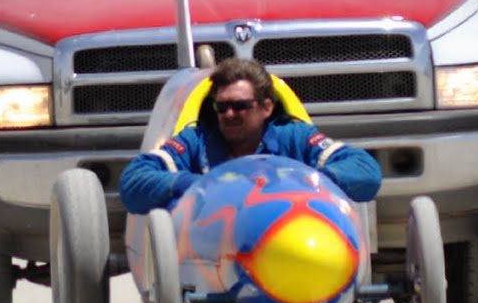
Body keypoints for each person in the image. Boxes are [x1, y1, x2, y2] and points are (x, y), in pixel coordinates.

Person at [118, 57, 382, 212]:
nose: (229, 114)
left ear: (266, 107)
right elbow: (134, 180)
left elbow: (366, 170)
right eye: (222, 107)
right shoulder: (196, 141)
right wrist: (192, 184)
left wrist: (314, 181)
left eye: (240, 106)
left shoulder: (294, 137)